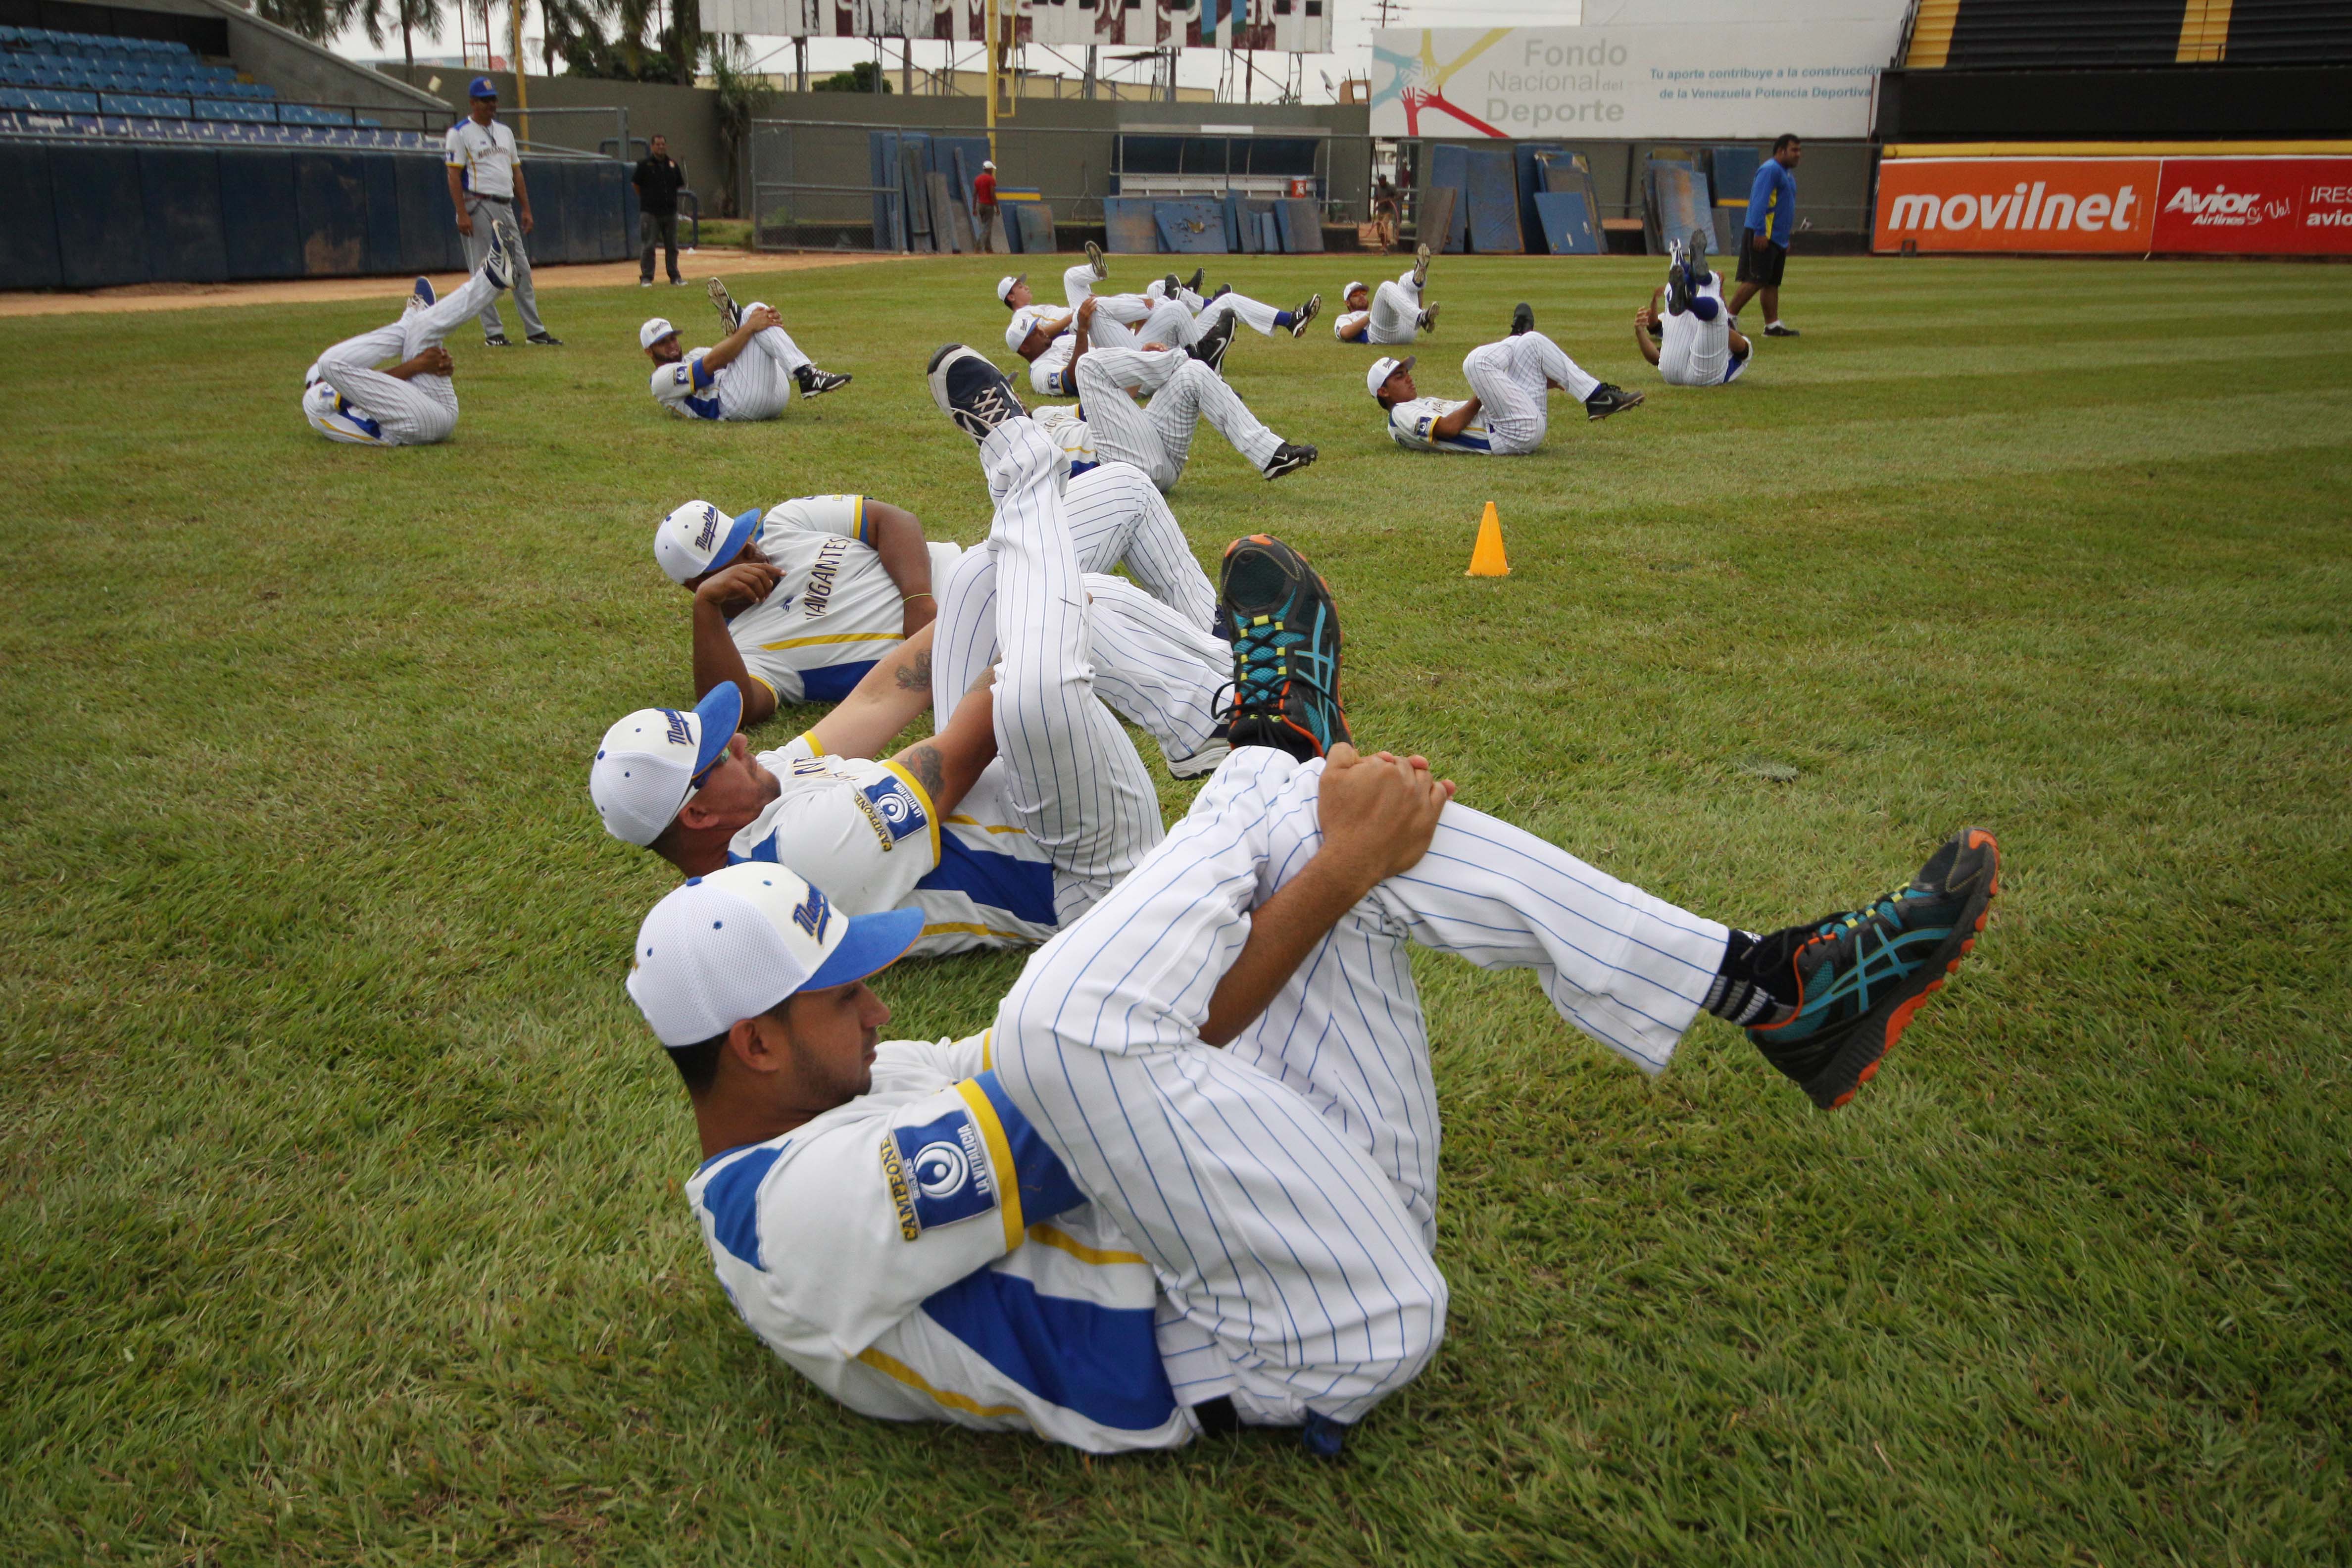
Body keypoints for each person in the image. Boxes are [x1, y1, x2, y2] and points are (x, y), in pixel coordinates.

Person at [621, 524, 2001, 1455]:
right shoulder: (791, 1219)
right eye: (844, 993)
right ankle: (1270, 739)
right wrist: (1333, 862)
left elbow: (1155, 1044)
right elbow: (1097, 1053)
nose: (877, 1004)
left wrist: (1329, 860)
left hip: (1280, 1198)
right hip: (1300, 1328)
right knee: (1082, 1001)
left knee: (1285, 843)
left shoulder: (859, 1089)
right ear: (751, 1042)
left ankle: (1770, 988)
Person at [589, 368, 1243, 951]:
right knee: (1035, 674)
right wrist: (1027, 605)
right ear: (697, 815)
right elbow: (964, 746)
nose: (738, 742)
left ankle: (1210, 702)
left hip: (1027, 796)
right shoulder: (796, 853)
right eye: (717, 756)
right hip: (1083, 872)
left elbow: (879, 700)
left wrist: (970, 603)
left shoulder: (755, 793)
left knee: (985, 579)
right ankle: (1024, 461)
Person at [653, 493, 957, 721]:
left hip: (967, 571)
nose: (750, 548)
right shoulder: (744, 653)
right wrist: (705, 605)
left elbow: (893, 519)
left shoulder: (784, 522)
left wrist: (917, 600)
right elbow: (732, 711)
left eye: (739, 536)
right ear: (699, 584)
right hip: (960, 647)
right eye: (732, 554)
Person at [1063, 306, 1318, 489]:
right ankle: (1191, 354)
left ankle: (1273, 454)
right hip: (1117, 469)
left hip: (1147, 449)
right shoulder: (1029, 436)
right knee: (1087, 365)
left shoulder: (1047, 416)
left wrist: (1139, 362)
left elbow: (1110, 410)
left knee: (1194, 373)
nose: (1021, 402)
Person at [300, 234, 514, 446]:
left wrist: (431, 363)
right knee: (328, 363)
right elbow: (356, 387)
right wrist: (417, 365)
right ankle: (405, 326)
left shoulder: (350, 390)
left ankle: (491, 279)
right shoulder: (313, 397)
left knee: (422, 328)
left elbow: (376, 385)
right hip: (407, 426)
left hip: (431, 409)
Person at [1368, 304, 1643, 455]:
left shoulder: (1420, 402)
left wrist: (1528, 381)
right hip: (1505, 436)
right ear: (1383, 392)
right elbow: (1450, 429)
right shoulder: (1401, 415)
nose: (1409, 379)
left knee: (1533, 343)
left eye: (1406, 373)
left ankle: (1597, 397)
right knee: (1474, 363)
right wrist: (1484, 392)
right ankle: (1514, 339)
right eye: (1400, 377)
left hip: (1511, 422)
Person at [443, 76, 558, 347]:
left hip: (505, 204)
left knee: (522, 269)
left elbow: (516, 172)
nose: (491, 104)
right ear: (473, 103)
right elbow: (453, 176)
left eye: (493, 99)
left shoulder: (505, 132)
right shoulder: (459, 133)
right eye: (485, 100)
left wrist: (526, 208)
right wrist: (462, 213)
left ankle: (535, 331)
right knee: (485, 270)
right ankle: (493, 333)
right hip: (478, 202)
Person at [642, 280, 851, 423]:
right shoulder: (661, 381)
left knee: (758, 317)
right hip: (735, 407)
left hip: (773, 395)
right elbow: (713, 363)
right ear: (649, 352)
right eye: (663, 343)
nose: (672, 344)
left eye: (672, 338)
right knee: (755, 315)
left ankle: (805, 373)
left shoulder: (693, 355)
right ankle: (740, 314)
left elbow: (734, 354)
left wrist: (768, 324)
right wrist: (750, 326)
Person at [1632, 231, 1752, 387]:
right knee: (1710, 295)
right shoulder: (1712, 320)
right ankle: (1690, 281)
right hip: (1696, 374)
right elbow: (1655, 352)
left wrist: (1723, 325)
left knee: (1700, 296)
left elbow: (1742, 349)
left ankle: (1685, 271)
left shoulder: (1740, 340)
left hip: (1672, 373)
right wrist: (1640, 333)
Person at [1729, 134, 1802, 337]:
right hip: (1763, 234)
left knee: (1772, 281)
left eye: (1799, 150)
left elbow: (1784, 208)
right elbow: (1759, 203)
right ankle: (1728, 318)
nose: (1799, 155)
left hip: (1777, 237)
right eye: (1794, 150)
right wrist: (1760, 232)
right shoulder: (1770, 170)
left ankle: (1772, 325)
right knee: (1756, 279)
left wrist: (1785, 238)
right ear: (1781, 151)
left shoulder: (1786, 173)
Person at [1334, 242, 1436, 344]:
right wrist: (1370, 316)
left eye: (1363, 292)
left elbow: (1413, 303)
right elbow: (1346, 334)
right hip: (1379, 337)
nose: (1361, 296)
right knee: (1385, 288)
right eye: (1355, 294)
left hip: (1407, 331)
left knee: (1405, 281)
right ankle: (1421, 317)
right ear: (1347, 302)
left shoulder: (1378, 313)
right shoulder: (1345, 318)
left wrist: (1419, 288)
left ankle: (1417, 280)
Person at [633, 133, 689, 288]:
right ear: (652, 147)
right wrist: (648, 198)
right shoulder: (645, 165)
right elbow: (636, 184)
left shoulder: (672, 165)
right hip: (650, 213)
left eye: (663, 144)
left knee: (672, 246)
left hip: (670, 212)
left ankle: (675, 277)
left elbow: (678, 184)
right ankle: (647, 278)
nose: (661, 147)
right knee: (649, 246)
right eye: (657, 144)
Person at [972, 157, 997, 242]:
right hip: (989, 206)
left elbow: (975, 194)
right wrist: (997, 207)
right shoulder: (991, 180)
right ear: (989, 170)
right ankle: (979, 246)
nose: (993, 171)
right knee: (987, 227)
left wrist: (974, 208)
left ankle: (988, 248)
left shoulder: (978, 179)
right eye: (992, 169)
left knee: (985, 226)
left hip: (981, 205)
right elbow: (993, 194)